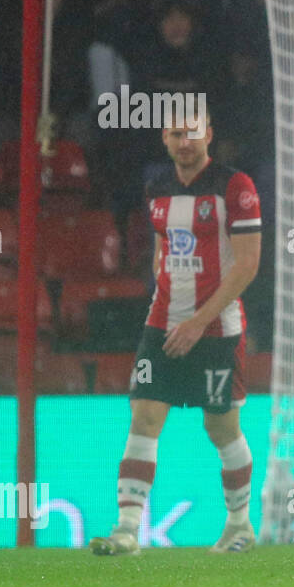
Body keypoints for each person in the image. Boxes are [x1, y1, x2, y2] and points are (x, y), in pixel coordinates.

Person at [89, 110, 262, 555]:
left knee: (221, 428)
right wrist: (170, 309)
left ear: (210, 133)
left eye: (193, 131)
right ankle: (127, 529)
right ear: (165, 138)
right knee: (144, 418)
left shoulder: (235, 187)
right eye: (175, 133)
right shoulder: (157, 189)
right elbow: (162, 254)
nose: (185, 141)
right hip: (162, 324)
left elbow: (247, 264)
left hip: (217, 329)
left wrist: (199, 320)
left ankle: (240, 524)